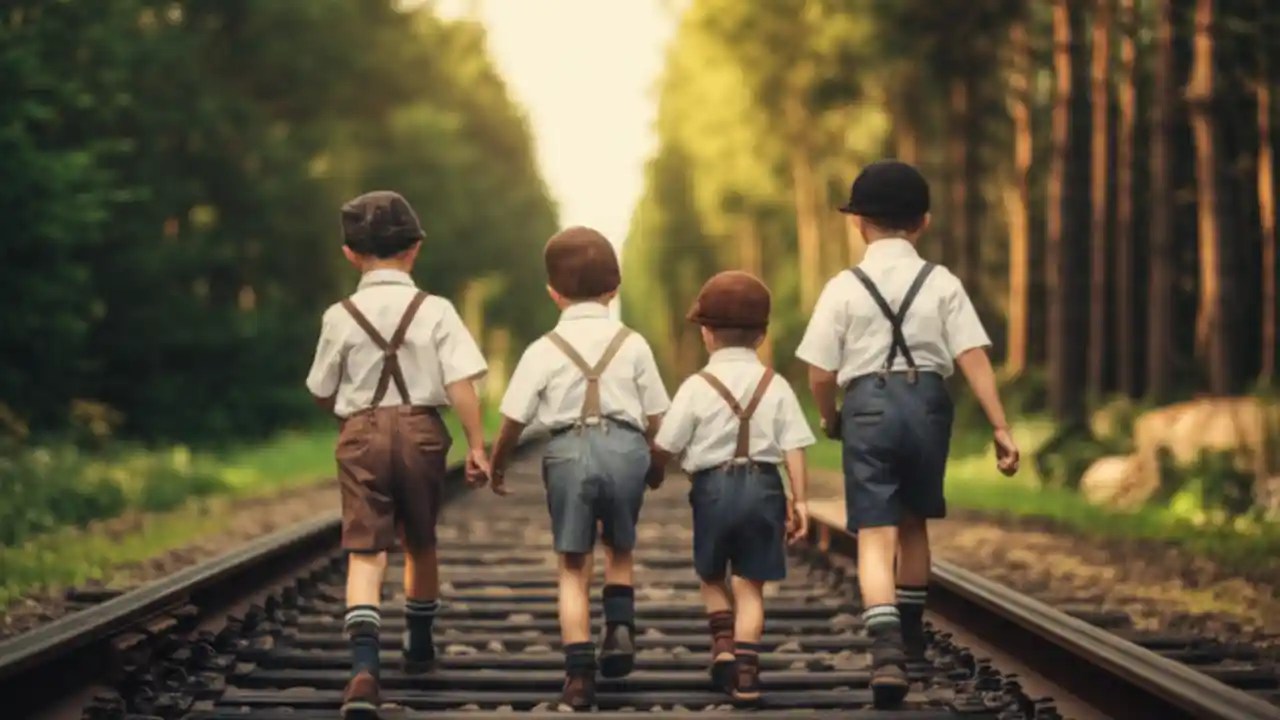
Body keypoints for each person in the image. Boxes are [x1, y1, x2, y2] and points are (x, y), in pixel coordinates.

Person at [795, 160, 1020, 708]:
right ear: (922, 222)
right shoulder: (941, 282)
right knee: (914, 523)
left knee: (875, 532)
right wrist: (1000, 425)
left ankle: (886, 651)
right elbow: (972, 354)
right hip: (927, 406)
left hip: (868, 405)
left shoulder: (843, 287)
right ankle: (914, 638)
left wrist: (830, 417)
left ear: (857, 223)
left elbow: (821, 371)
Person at [305, 191, 491, 718]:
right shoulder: (436, 310)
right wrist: (477, 446)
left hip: (361, 431)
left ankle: (364, 669)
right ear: (415, 250)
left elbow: (322, 388)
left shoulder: (338, 315)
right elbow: (460, 383)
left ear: (349, 254)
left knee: (366, 552)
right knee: (420, 541)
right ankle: (419, 642)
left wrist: (351, 411)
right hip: (421, 430)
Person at [483, 226, 670, 711]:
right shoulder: (634, 344)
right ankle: (622, 628)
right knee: (619, 547)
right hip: (626, 450)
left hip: (567, 452)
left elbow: (513, 421)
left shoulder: (543, 349)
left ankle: (579, 676)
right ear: (615, 288)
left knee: (572, 564)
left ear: (552, 292)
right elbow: (657, 418)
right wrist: (655, 464)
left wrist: (497, 465)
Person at [648, 270, 814, 703]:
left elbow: (666, 442)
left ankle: (722, 644)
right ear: (762, 336)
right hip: (764, 488)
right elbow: (794, 446)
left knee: (710, 572)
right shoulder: (775, 385)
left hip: (713, 490)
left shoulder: (695, 387)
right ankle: (747, 672)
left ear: (706, 334)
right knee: (750, 584)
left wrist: (654, 471)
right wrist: (801, 500)